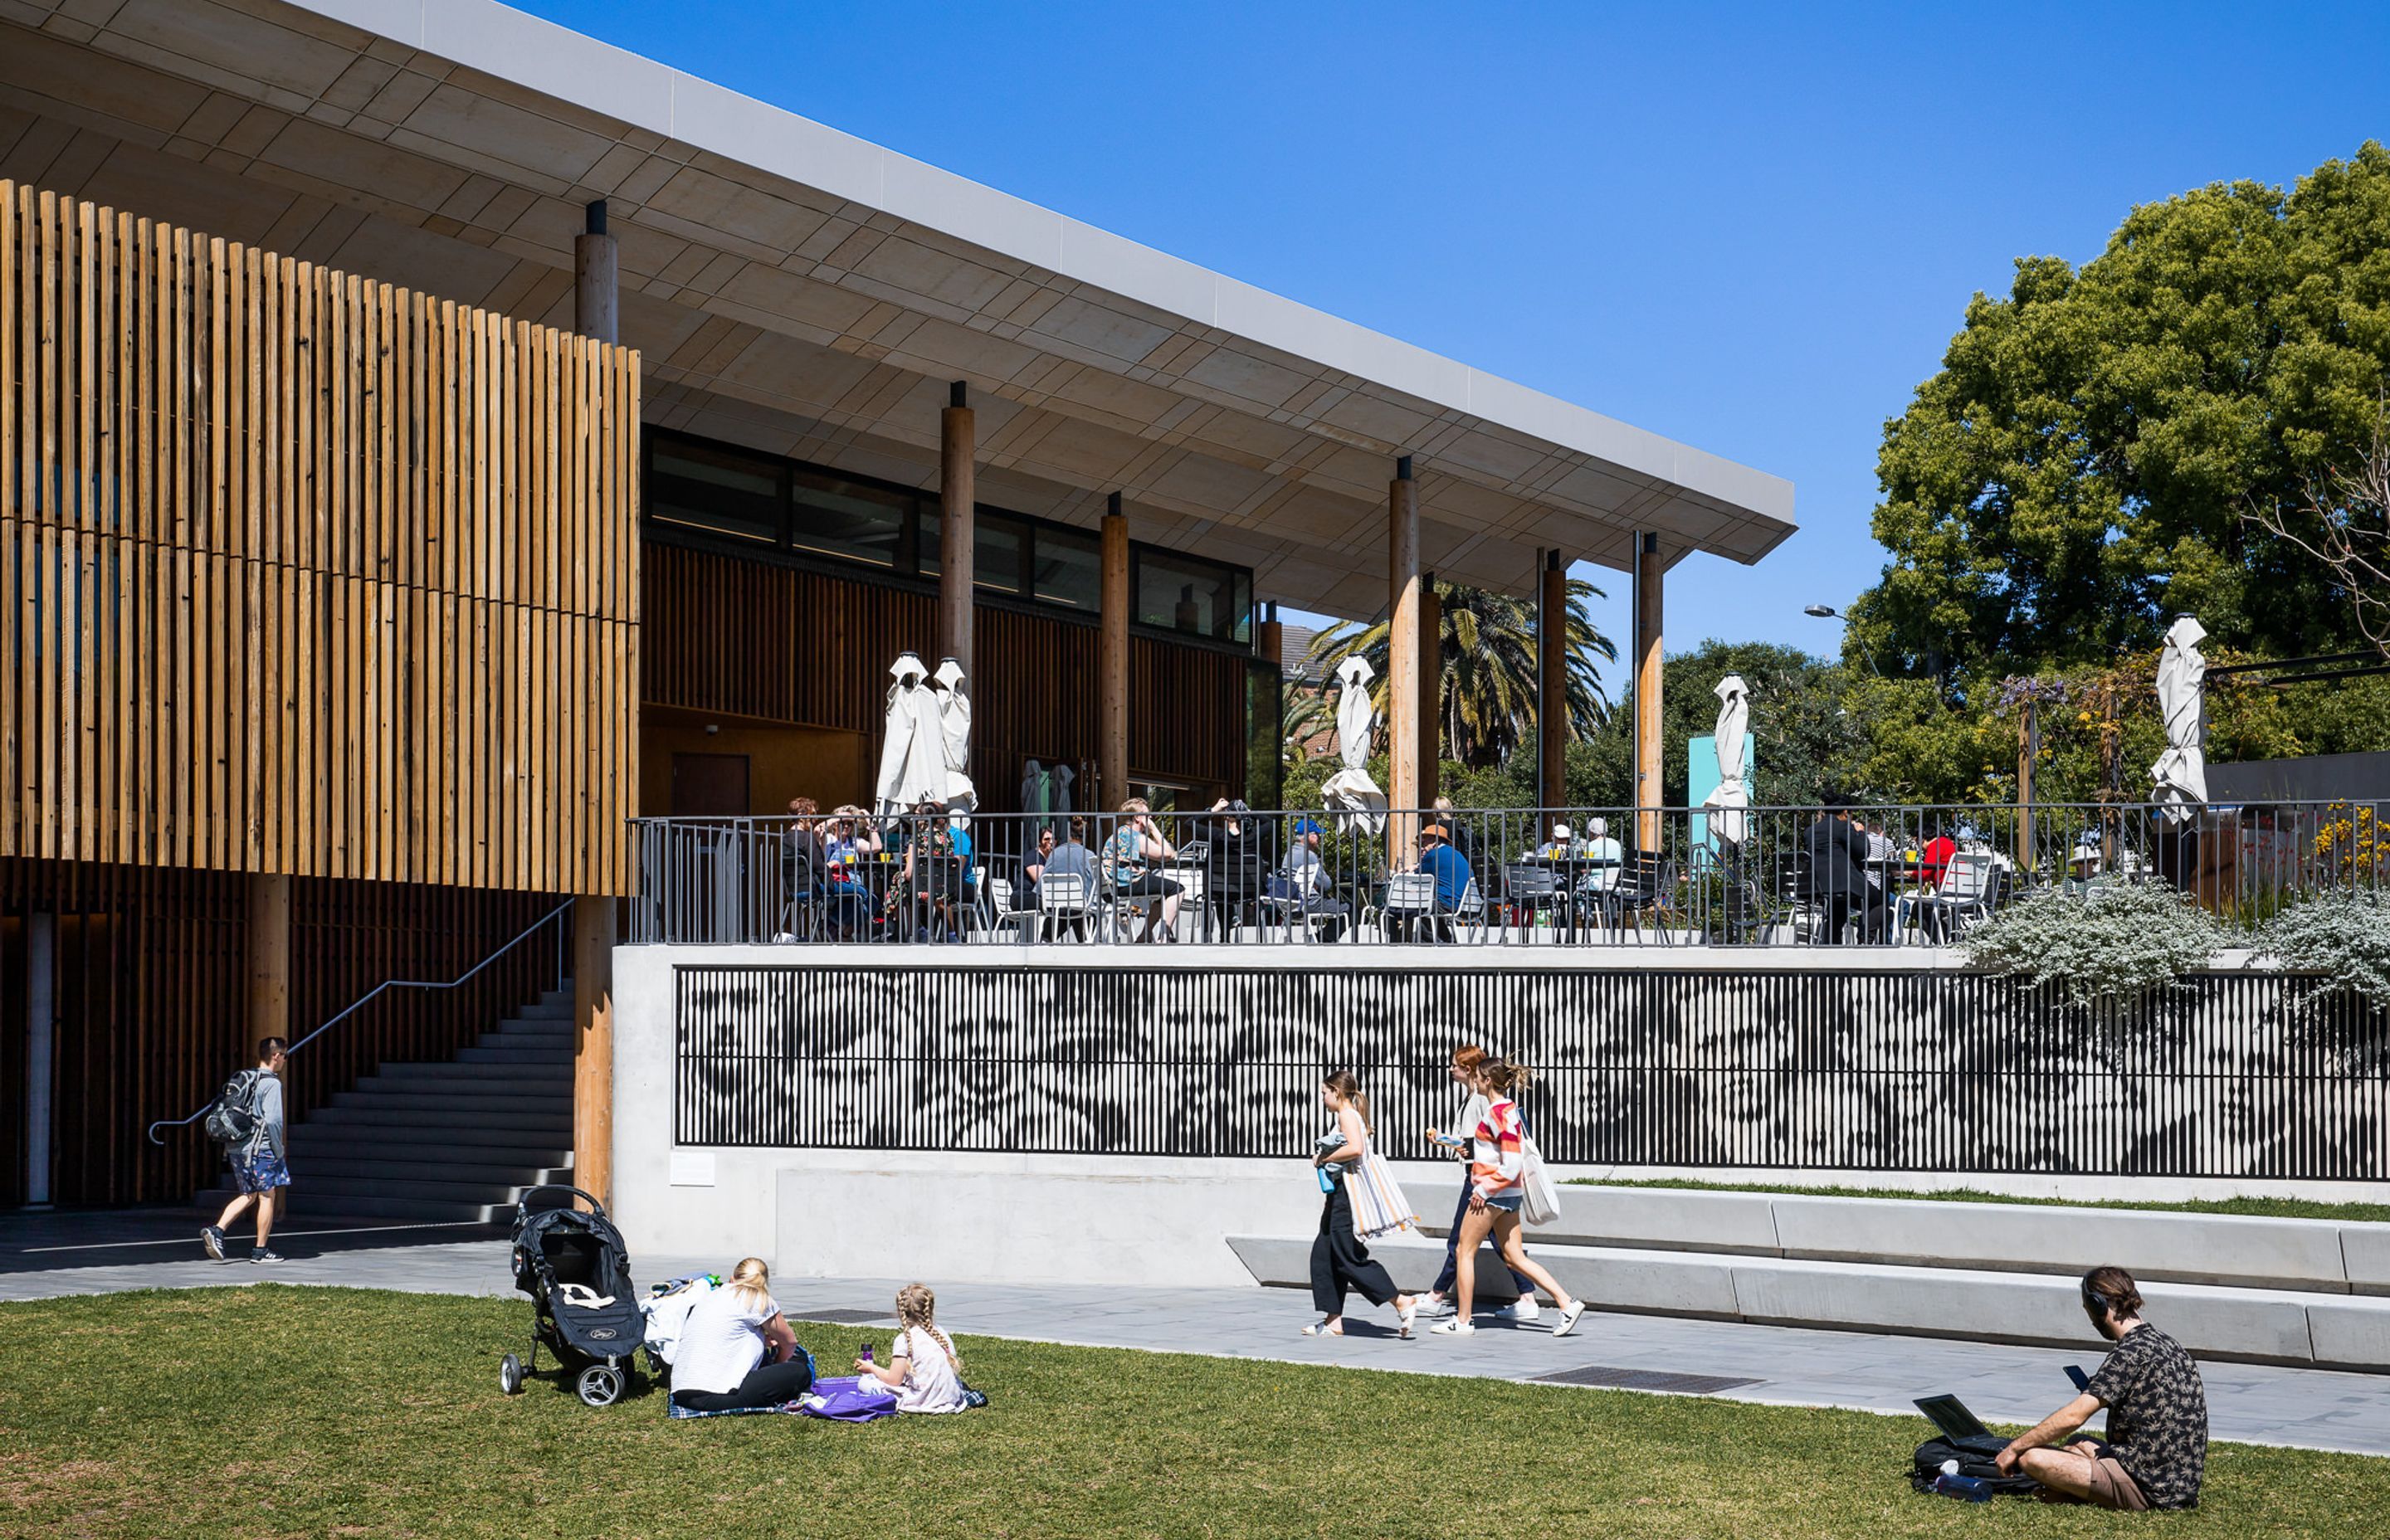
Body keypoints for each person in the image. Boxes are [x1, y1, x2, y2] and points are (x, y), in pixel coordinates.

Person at [1995, 1266, 2208, 1511]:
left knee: (2032, 1458)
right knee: (2078, 1444)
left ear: (2097, 1305)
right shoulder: (2168, 1343)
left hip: (2151, 1489)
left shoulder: (2129, 1352)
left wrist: (2014, 1447)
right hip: (2177, 1482)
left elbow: (2074, 1416)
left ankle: (2087, 1495)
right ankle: (2082, 1491)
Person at [1430, 1057, 1585, 1338]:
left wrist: (1483, 1190)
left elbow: (1511, 1163)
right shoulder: (1508, 1109)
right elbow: (1497, 1153)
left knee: (1464, 1251)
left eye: (1478, 1077)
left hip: (1492, 1195)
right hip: (1509, 1195)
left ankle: (1463, 1321)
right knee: (1514, 1257)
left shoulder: (1497, 1113)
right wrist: (1453, 1144)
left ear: (1488, 1081)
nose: (1475, 1081)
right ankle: (1566, 1303)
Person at [1419, 1045, 1537, 1318]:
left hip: (1482, 1179)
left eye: (1455, 1065)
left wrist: (1478, 1175)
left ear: (1469, 1070)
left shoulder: (1483, 1100)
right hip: (1485, 1177)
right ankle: (1529, 1296)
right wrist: (1446, 1141)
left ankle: (1438, 1297)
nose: (1451, 1069)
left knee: (1460, 1241)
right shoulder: (1473, 1098)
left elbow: (1489, 1141)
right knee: (1499, 1243)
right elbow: (1473, 1141)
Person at [1304, 1071, 1421, 1338]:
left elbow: (1355, 1149)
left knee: (1348, 1257)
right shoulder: (1349, 1115)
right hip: (1340, 1195)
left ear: (1336, 1092)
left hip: (1346, 1195)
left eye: (1324, 1093)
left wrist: (1323, 1158)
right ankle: (1333, 1321)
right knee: (1324, 1254)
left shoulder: (1346, 1115)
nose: (1322, 1098)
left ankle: (1401, 1301)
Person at [671, 1256, 814, 1412]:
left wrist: (760, 1339)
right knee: (800, 1371)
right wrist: (779, 1364)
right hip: (715, 1396)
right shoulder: (758, 1298)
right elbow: (790, 1342)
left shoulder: (710, 1297)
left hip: (682, 1393)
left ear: (732, 1278)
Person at [202, 1037, 290, 1264]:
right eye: (285, 1056)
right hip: (261, 1148)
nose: (284, 1061)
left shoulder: (247, 1077)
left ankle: (217, 1230)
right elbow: (273, 1121)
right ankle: (260, 1250)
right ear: (276, 1056)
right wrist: (279, 1150)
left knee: (248, 1194)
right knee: (267, 1196)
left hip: (238, 1147)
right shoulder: (271, 1083)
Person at [855, 1282, 971, 1414]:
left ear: (900, 1312)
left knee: (864, 1383)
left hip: (921, 1402)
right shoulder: (941, 1333)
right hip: (950, 1399)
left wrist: (870, 1368)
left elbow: (894, 1380)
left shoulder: (904, 1339)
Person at [1803, 792, 1886, 943]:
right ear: (1846, 812)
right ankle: (1865, 941)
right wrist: (1860, 832)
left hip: (1818, 885)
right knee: (1879, 900)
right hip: (1844, 883)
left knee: (1838, 907)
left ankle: (1832, 944)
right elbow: (1863, 851)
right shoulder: (1842, 827)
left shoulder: (1810, 831)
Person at [1106, 797, 1183, 942]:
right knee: (1177, 889)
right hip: (1127, 883)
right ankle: (1164, 937)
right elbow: (1168, 854)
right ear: (1137, 817)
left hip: (1113, 886)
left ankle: (1144, 936)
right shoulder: (1136, 837)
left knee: (1162, 893)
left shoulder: (1120, 833)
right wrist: (1153, 829)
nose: (1151, 818)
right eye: (1147, 815)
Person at [1279, 818, 1349, 942]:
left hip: (1290, 904)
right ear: (1308, 836)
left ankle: (1321, 938)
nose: (1319, 838)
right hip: (1309, 903)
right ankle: (1322, 939)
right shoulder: (1309, 855)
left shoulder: (1288, 853)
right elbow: (1327, 884)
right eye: (1317, 834)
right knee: (1349, 908)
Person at [1033, 817, 1101, 939]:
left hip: (1057, 907)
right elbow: (1097, 885)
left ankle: (1046, 939)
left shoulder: (1055, 854)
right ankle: (1086, 942)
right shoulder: (1089, 855)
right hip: (1081, 908)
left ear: (1069, 835)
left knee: (1061, 912)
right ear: (1084, 837)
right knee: (1087, 910)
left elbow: (1040, 886)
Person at [1407, 822, 1476, 941]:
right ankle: (1447, 940)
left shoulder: (1433, 854)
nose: (1422, 846)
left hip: (1449, 904)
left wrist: (1411, 869)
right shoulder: (1455, 853)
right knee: (1427, 904)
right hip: (1469, 907)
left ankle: (1434, 942)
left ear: (1434, 841)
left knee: (1411, 904)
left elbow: (1416, 878)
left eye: (1424, 842)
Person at [779, 797, 827, 940]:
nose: (815, 820)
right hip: (813, 888)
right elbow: (819, 866)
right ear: (801, 817)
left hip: (794, 889)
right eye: (812, 816)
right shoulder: (806, 838)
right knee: (859, 892)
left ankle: (826, 931)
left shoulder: (786, 838)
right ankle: (834, 931)